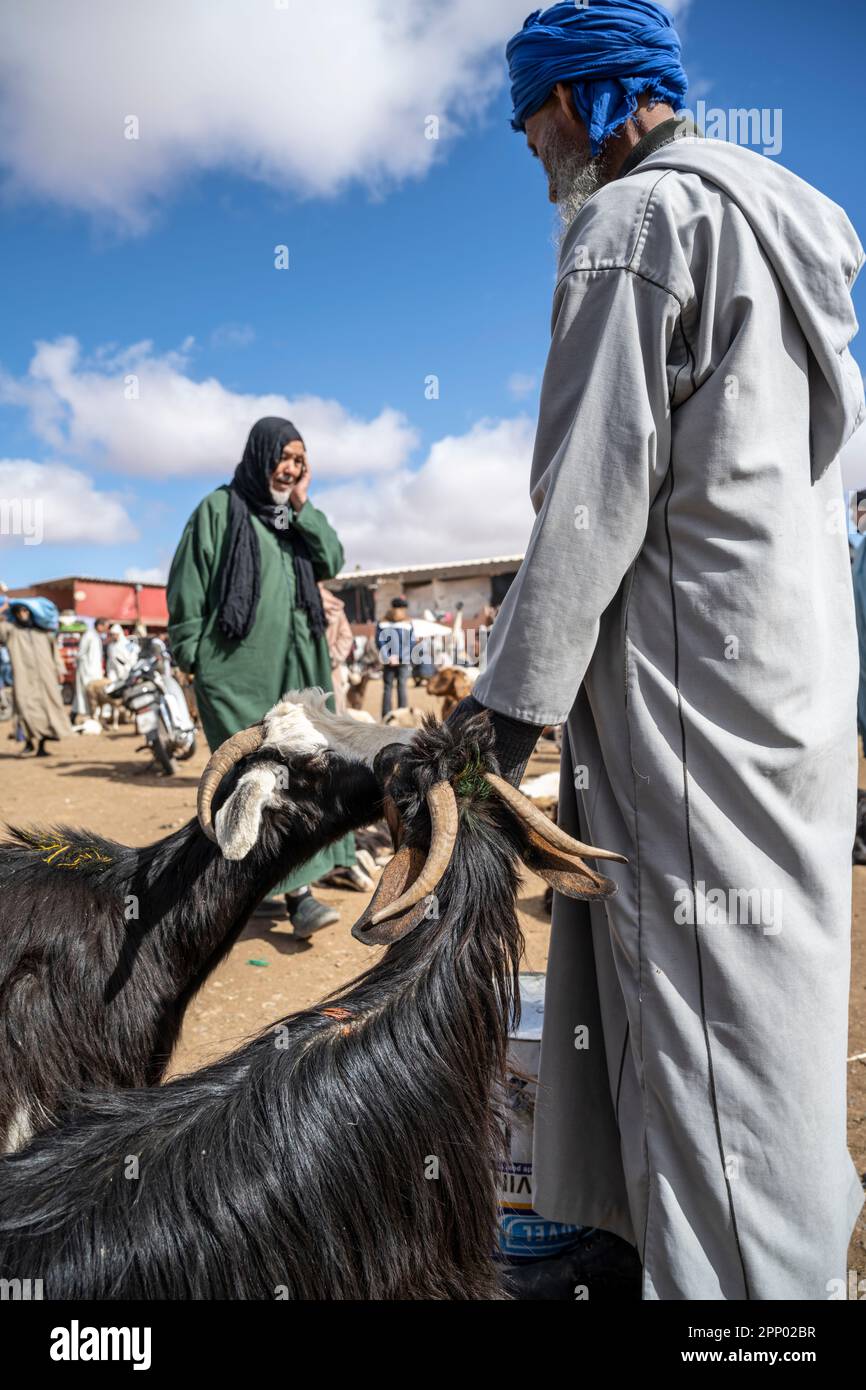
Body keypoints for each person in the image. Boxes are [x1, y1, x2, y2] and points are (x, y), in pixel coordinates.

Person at [450, 1, 865, 1300]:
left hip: (686, 724)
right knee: (758, 1034)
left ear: (574, 100)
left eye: (534, 136)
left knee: (707, 1068)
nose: (539, 165)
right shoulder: (781, 230)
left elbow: (588, 497)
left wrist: (496, 723)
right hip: (781, 706)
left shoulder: (631, 227)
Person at [167, 416, 356, 937]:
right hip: (236, 672)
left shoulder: (294, 518)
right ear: (260, 455)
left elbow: (333, 560)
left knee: (307, 769)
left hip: (299, 669)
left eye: (300, 460)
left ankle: (280, 884)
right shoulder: (219, 508)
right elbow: (189, 581)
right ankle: (290, 892)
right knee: (251, 774)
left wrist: (303, 504)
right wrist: (191, 654)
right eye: (285, 457)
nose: (291, 468)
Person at [0, 600, 69, 755]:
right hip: (24, 679)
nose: (23, 614)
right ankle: (28, 743)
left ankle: (42, 747)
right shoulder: (12, 631)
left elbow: (55, 654)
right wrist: (1, 612)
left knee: (47, 710)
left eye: (25, 611)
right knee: (24, 710)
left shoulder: (43, 633)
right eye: (19, 612)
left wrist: (60, 670)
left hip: (46, 679)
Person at [376, 596, 414, 717]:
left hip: (388, 661)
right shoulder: (408, 623)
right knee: (402, 686)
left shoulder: (382, 622)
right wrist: (400, 656)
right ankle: (402, 714)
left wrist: (389, 656)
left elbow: (379, 641)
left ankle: (386, 715)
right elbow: (411, 642)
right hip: (403, 660)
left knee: (387, 688)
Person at [319, 584, 354, 714]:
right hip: (331, 672)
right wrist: (331, 656)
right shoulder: (333, 605)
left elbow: (346, 636)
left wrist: (326, 657)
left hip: (327, 672)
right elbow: (346, 636)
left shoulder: (296, 599)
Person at [73, 618, 107, 720]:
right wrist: (85, 668)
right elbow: (81, 653)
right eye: (105, 626)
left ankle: (94, 717)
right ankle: (77, 716)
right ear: (100, 626)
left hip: (94, 672)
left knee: (93, 696)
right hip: (86, 671)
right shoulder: (88, 636)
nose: (106, 629)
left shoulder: (96, 636)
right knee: (84, 695)